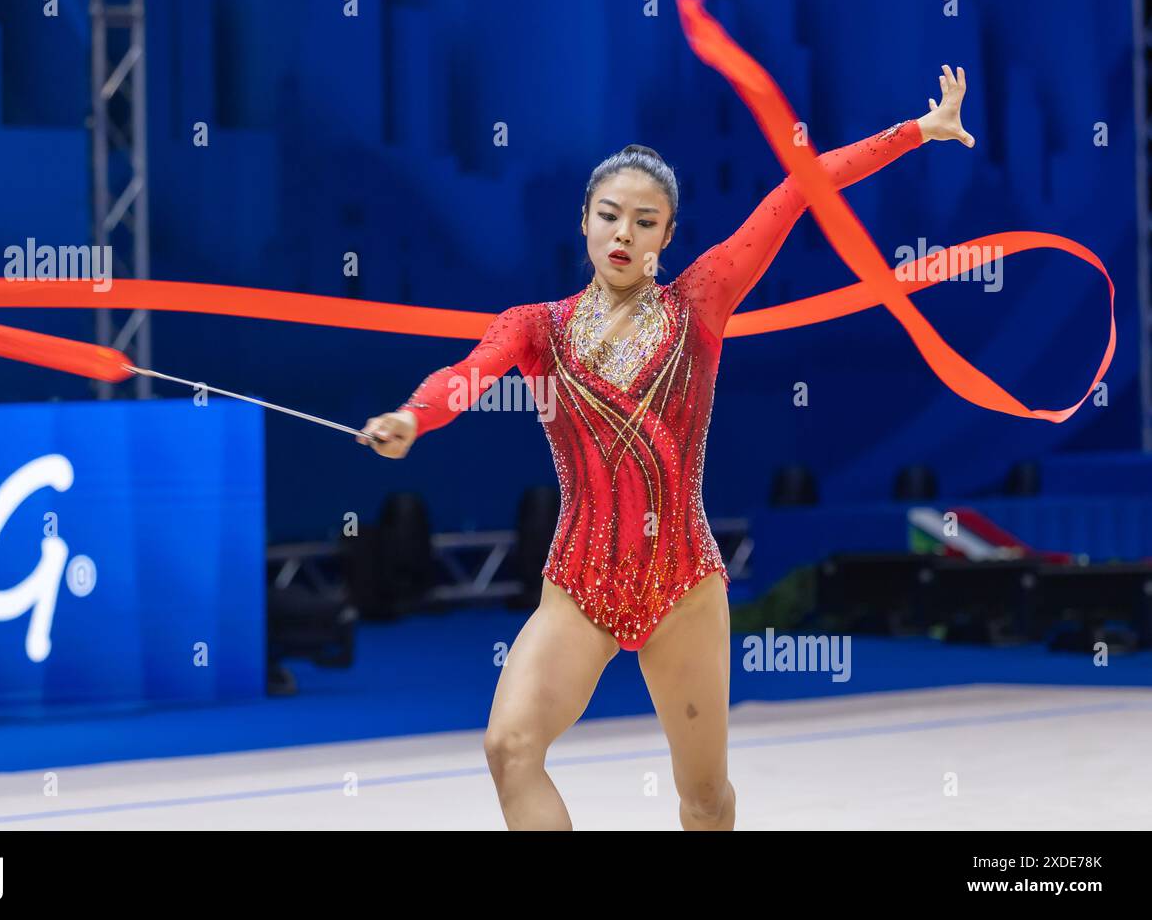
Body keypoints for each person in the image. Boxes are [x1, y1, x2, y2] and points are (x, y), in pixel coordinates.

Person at [358, 66, 975, 830]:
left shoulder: (701, 303)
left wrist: (917, 130)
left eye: (645, 222)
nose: (624, 234)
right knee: (509, 747)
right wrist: (414, 419)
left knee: (705, 798)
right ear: (583, 219)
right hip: (580, 583)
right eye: (610, 215)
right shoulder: (535, 327)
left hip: (681, 582)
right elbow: (467, 374)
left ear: (666, 236)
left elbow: (796, 196)